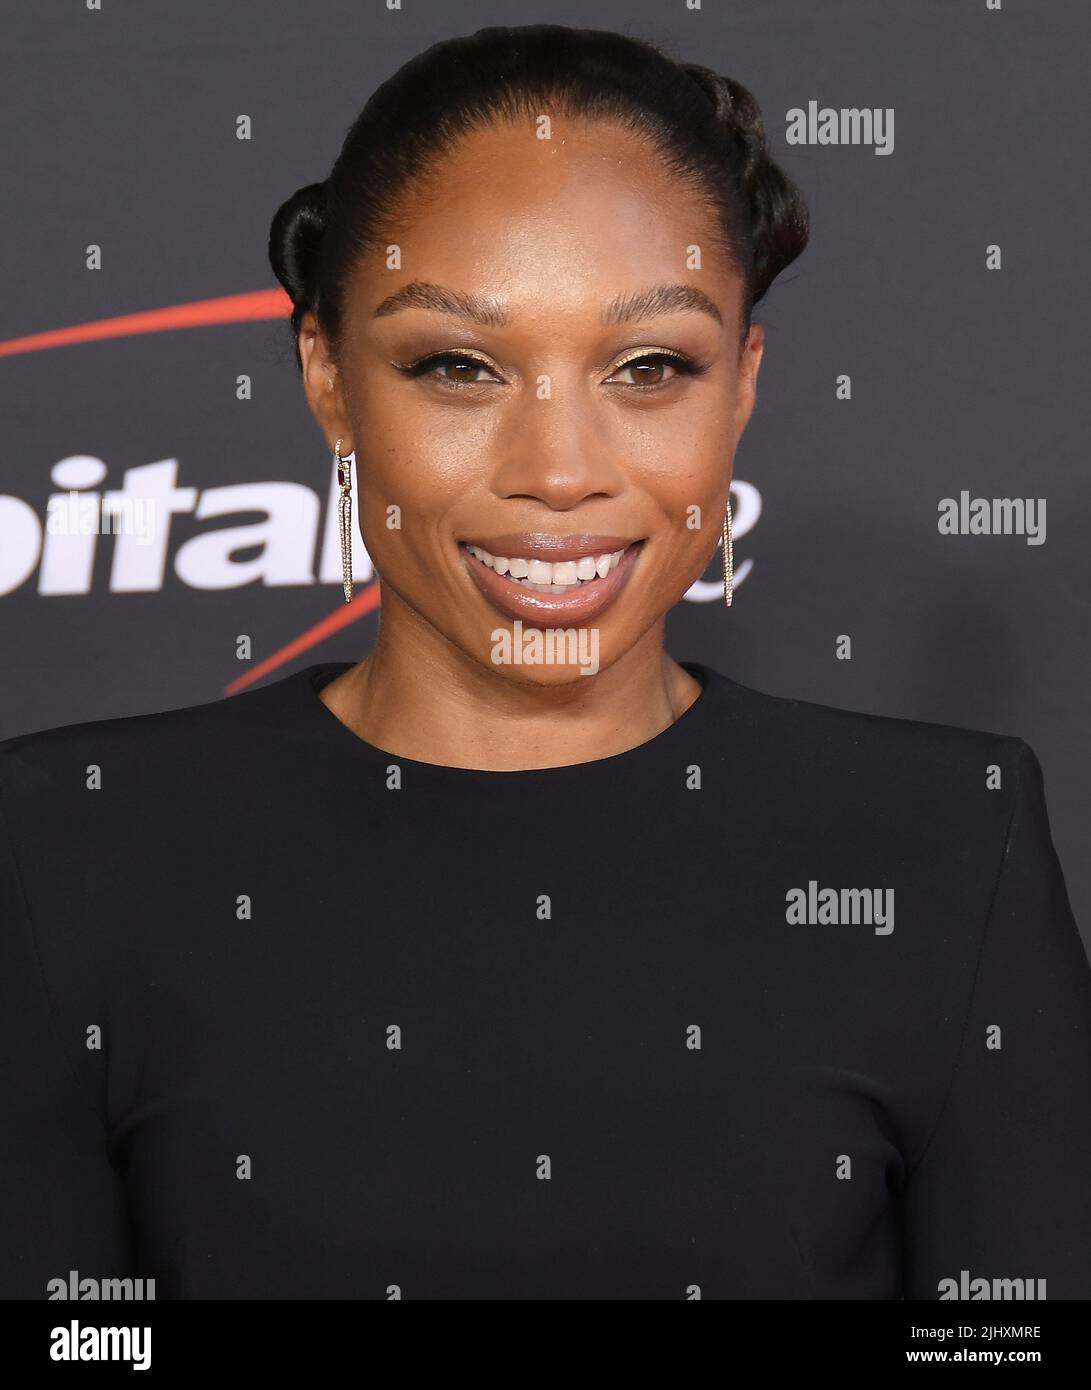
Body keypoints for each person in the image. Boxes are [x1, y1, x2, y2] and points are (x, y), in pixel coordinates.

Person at [1, 23, 1089, 1301]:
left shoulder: (945, 847)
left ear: (738, 384)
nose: (558, 469)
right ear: (329, 380)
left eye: (648, 367)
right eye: (455, 366)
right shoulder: (67, 847)